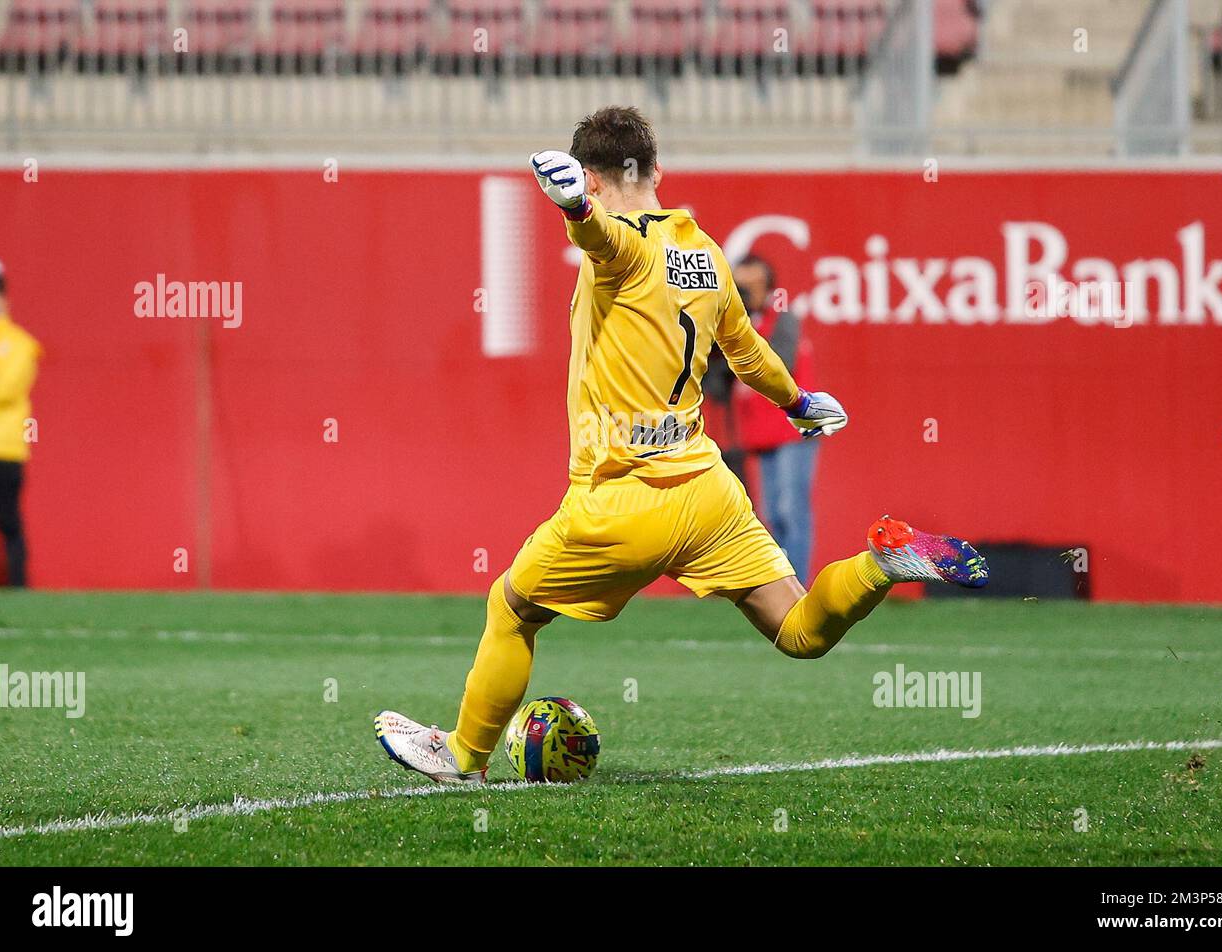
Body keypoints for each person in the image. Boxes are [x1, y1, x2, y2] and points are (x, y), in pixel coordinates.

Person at [376, 107, 988, 784]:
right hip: (707, 493)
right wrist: (799, 404)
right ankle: (882, 564)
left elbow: (607, 244)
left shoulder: (623, 248)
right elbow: (749, 351)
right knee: (800, 631)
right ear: (657, 171)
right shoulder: (705, 254)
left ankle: (464, 755)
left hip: (623, 502)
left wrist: (577, 209)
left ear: (594, 177)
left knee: (512, 609)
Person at [732, 254, 818, 581]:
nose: (745, 293)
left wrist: (741, 330)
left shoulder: (783, 319)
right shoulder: (738, 324)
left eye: (750, 286)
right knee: (772, 514)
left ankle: (796, 582)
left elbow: (776, 365)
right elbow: (715, 382)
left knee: (791, 510)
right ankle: (781, 581)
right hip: (762, 430)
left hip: (794, 426)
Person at [0, 255, 41, 588]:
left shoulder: (18, 343)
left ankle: (19, 586)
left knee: (7, 519)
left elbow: (6, 388)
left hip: (5, 446)